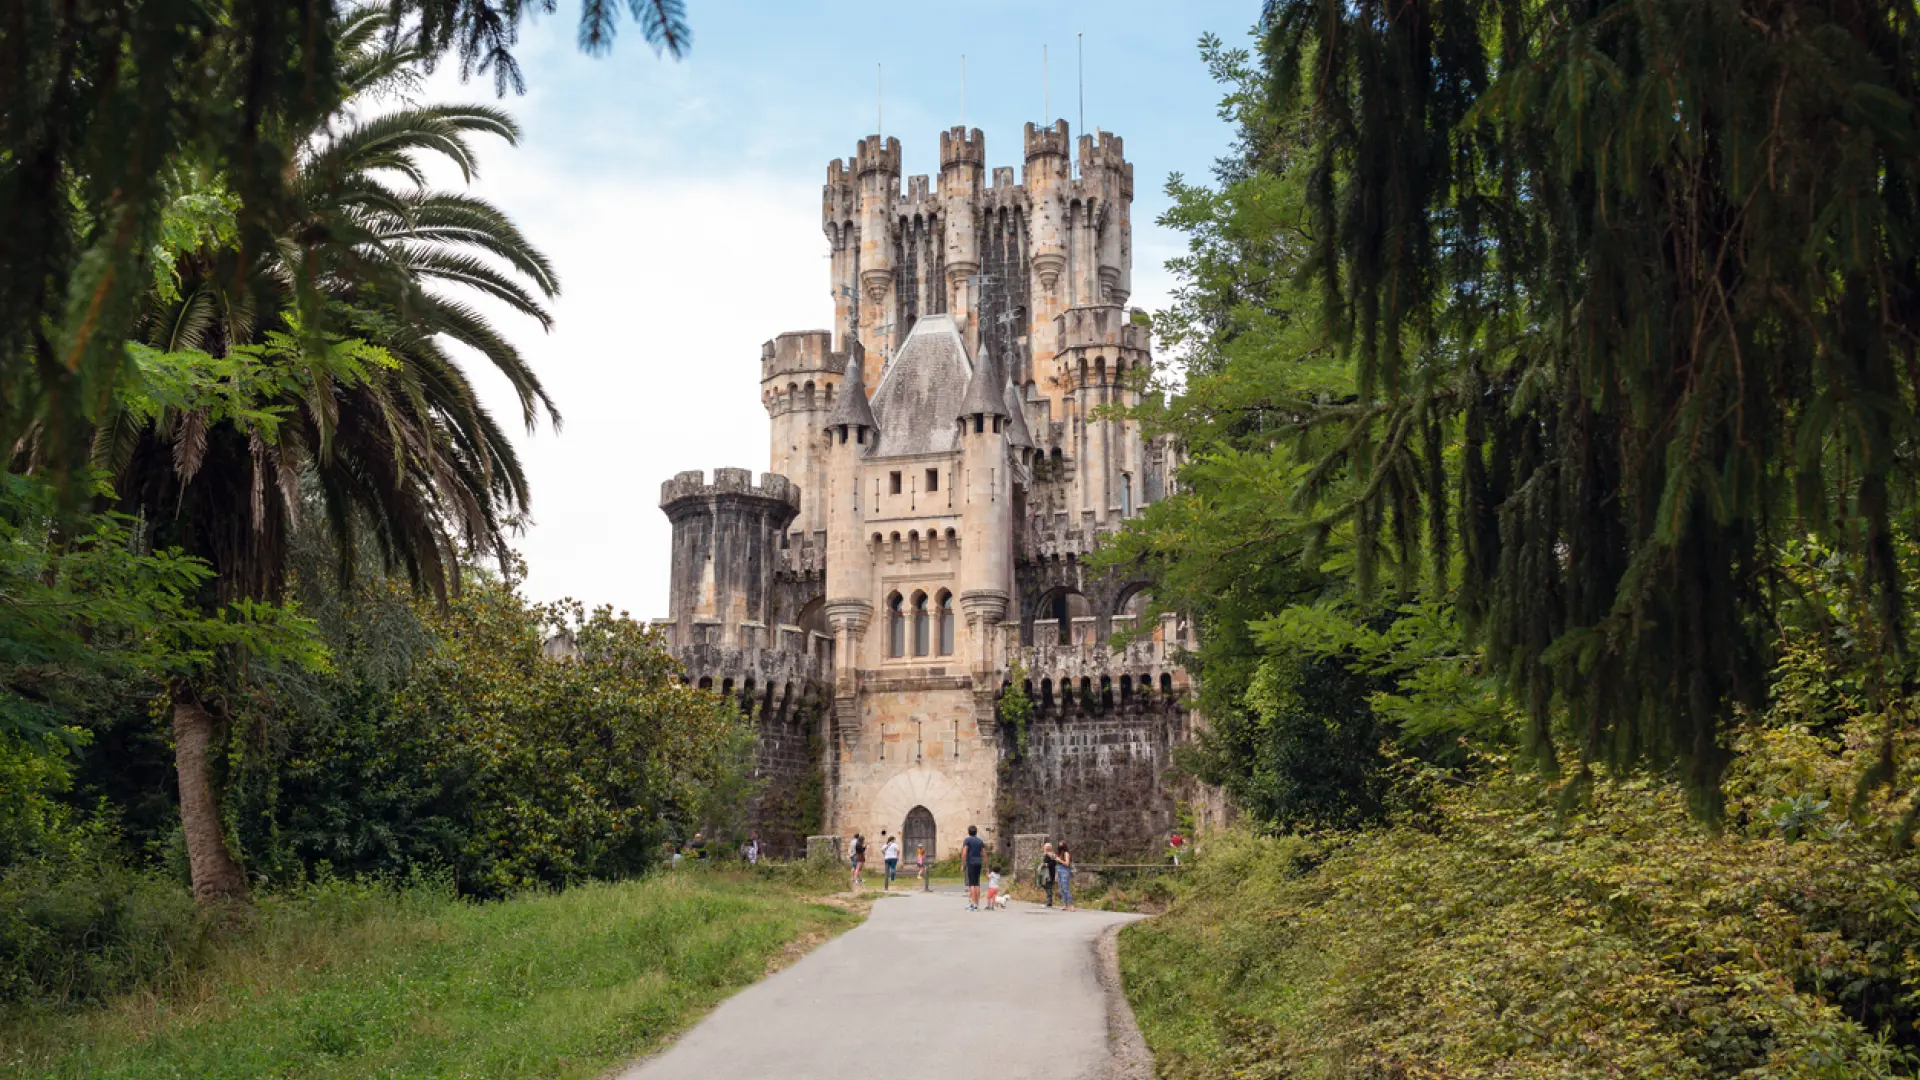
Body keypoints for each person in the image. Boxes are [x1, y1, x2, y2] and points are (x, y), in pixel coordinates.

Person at [961, 825, 987, 910]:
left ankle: (973, 903)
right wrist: (987, 866)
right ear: (976, 832)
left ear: (968, 832)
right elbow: (984, 854)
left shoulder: (967, 840)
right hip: (978, 862)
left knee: (971, 884)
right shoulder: (980, 841)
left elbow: (964, 853)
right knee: (977, 883)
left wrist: (962, 864)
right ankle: (977, 904)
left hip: (970, 863)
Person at [1056, 842, 1075, 911]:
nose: (1060, 846)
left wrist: (1059, 860)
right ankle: (1065, 905)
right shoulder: (1059, 854)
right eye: (1059, 845)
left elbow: (1067, 863)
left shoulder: (1066, 853)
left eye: (1061, 845)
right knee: (1061, 889)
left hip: (1065, 871)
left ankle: (1072, 905)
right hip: (1059, 871)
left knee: (1065, 888)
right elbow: (1057, 865)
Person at [1040, 842, 1059, 907]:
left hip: (1047, 874)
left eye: (1044, 847)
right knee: (1049, 886)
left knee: (1047, 886)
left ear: (1046, 848)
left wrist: (1045, 864)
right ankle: (1049, 902)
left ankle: (1049, 902)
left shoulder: (1047, 855)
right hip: (1052, 873)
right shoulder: (1053, 855)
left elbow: (1049, 863)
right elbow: (1054, 863)